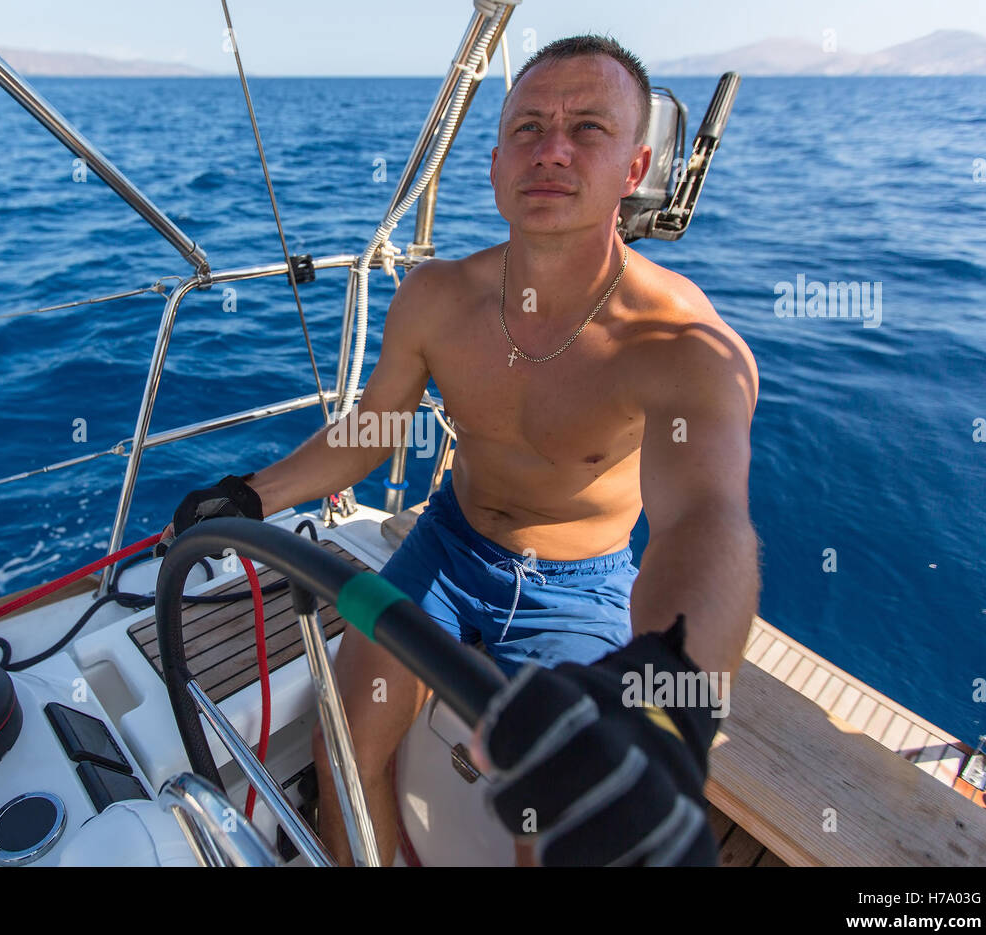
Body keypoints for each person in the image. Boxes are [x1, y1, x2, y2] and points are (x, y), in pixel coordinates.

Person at [163, 34, 759, 866]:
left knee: (558, 819)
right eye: (528, 128)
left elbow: (706, 519)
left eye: (588, 128)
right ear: (493, 162)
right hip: (446, 547)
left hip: (579, 590)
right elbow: (373, 429)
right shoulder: (437, 300)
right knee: (343, 740)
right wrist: (251, 495)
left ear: (635, 169)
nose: (551, 150)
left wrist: (670, 703)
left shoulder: (680, 345)